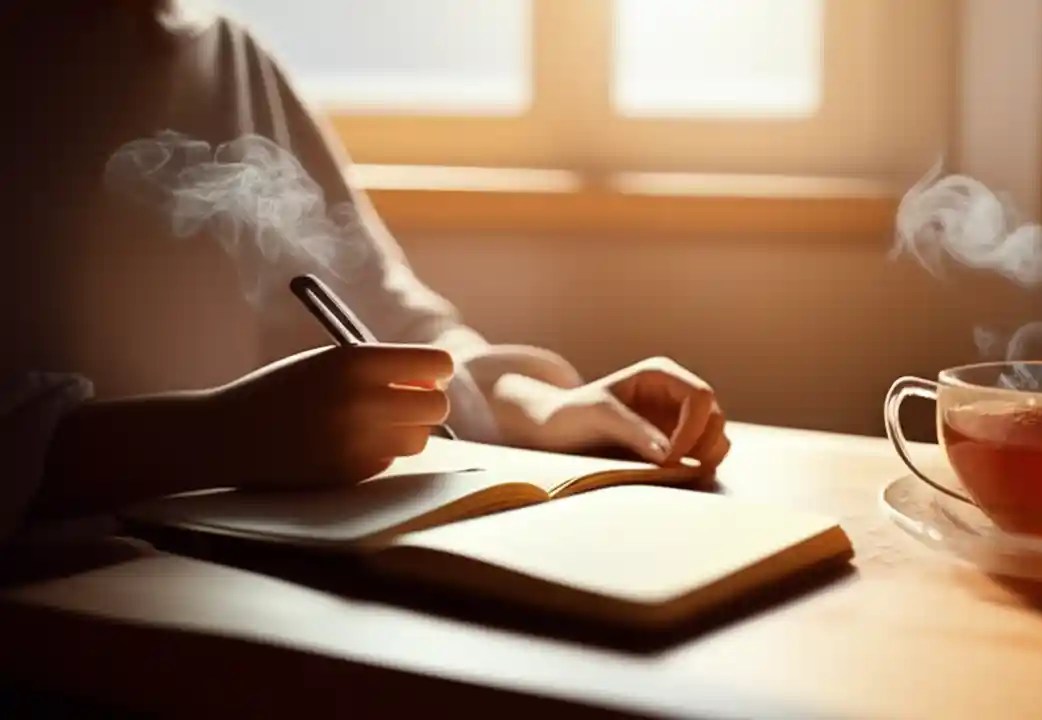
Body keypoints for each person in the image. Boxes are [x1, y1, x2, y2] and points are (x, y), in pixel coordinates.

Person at [0, 0, 729, 541]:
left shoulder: (226, 55)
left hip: (224, 594)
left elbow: (385, 319)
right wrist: (224, 434)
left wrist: (533, 405)